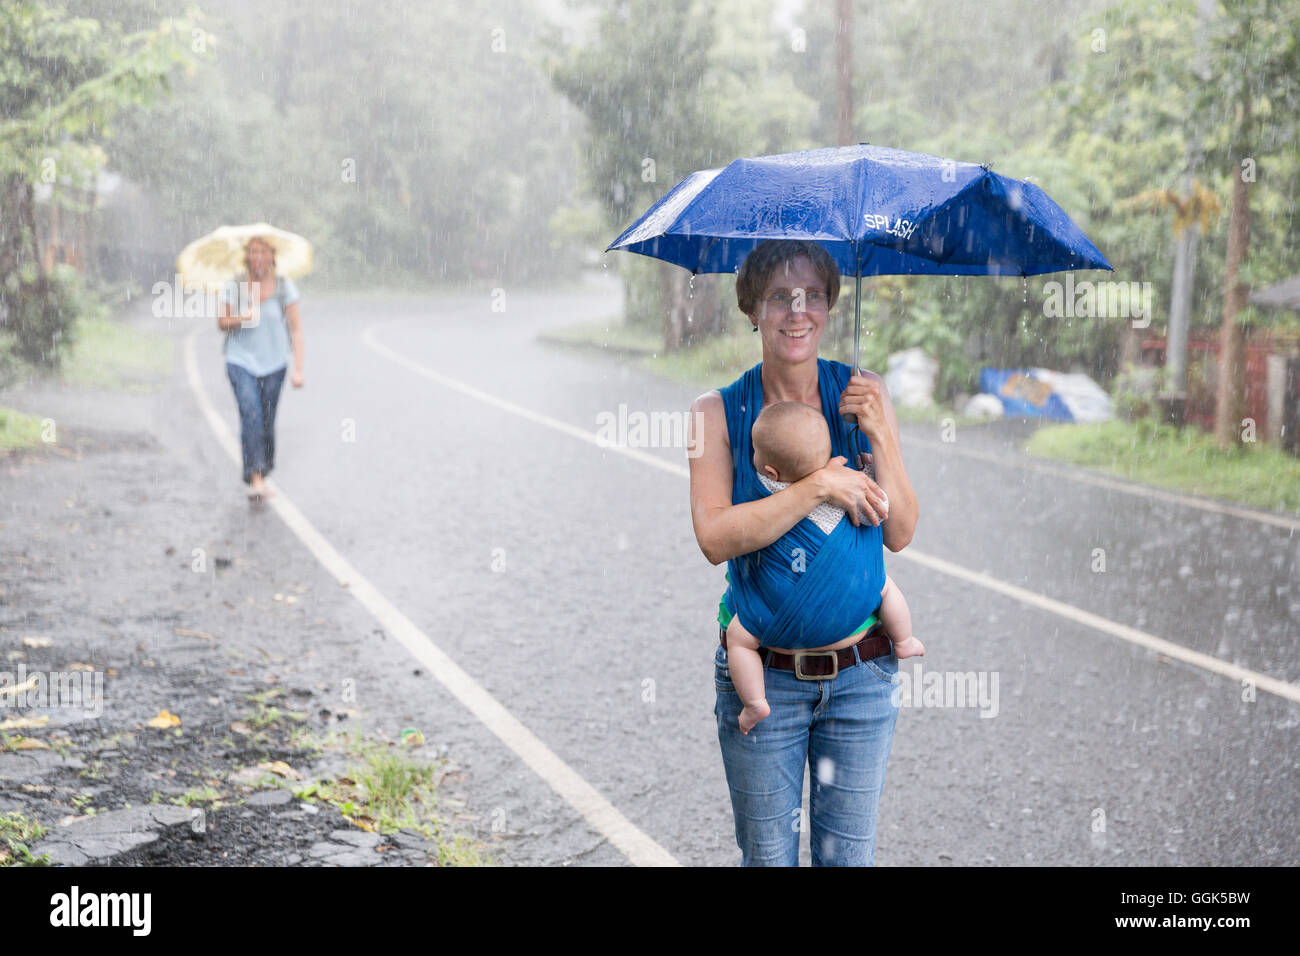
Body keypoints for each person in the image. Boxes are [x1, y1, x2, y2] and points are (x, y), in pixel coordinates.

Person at [687, 238, 918, 866]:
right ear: (752, 308)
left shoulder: (863, 395)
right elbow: (714, 538)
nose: (798, 312)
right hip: (765, 677)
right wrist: (818, 485)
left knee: (848, 861)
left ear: (830, 305)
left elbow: (899, 533)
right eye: (780, 297)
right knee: (768, 859)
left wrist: (882, 440)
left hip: (862, 676)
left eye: (813, 296)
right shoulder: (715, 413)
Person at [725, 399, 924, 735]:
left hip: (774, 616)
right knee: (884, 586)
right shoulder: (850, 485)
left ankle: (755, 702)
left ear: (770, 470)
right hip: (854, 599)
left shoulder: (766, 490)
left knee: (739, 639)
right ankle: (903, 639)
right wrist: (872, 471)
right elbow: (881, 508)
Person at [215, 237, 304, 502]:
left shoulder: (283, 287)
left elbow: (297, 330)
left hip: (274, 364)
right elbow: (222, 322)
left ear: (271, 256)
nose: (258, 257)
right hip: (240, 361)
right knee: (251, 413)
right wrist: (242, 317)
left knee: (266, 419)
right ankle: (254, 477)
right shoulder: (235, 285)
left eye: (263, 252)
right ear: (247, 256)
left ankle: (263, 471)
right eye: (253, 251)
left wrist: (299, 368)